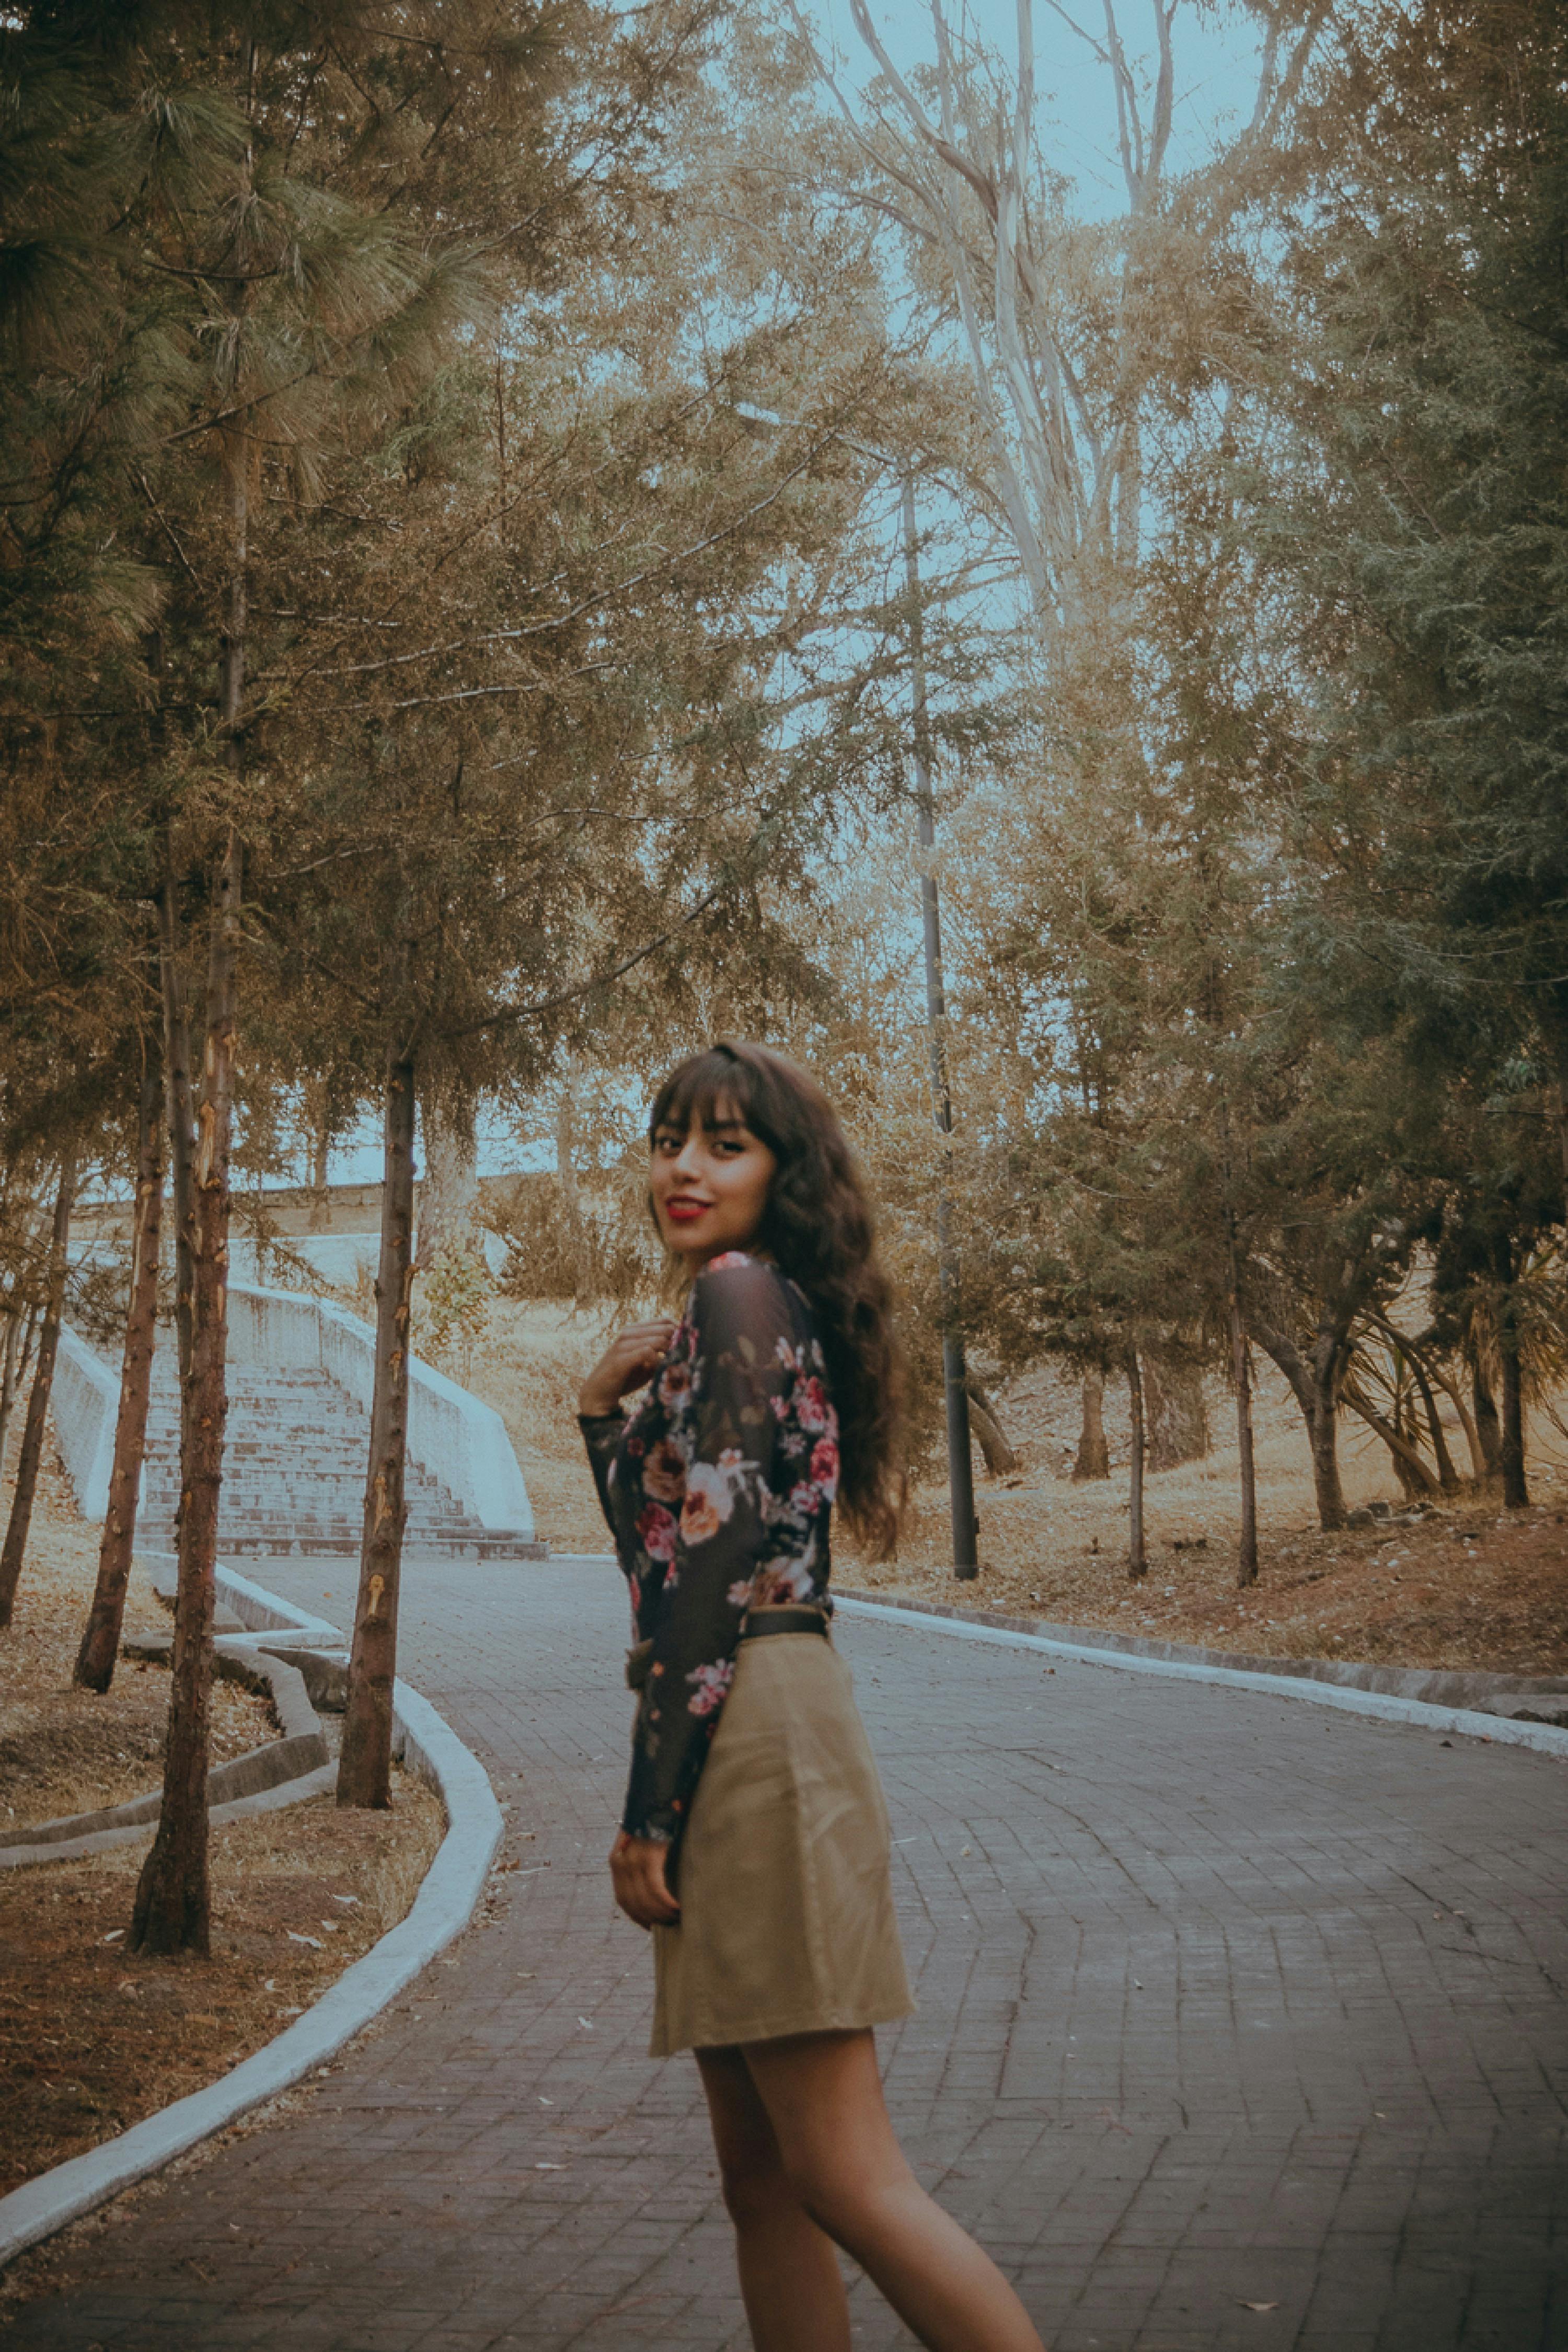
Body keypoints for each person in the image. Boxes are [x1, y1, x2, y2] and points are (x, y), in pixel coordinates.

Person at [579, 1042, 1047, 2352]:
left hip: (751, 1720)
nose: (684, 1165)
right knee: (764, 2187)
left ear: (782, 1174)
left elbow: (716, 1564)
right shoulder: (747, 1308)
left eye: (725, 1143)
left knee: (844, 2174)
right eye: (671, 1135)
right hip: (744, 1708)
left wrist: (647, 1808)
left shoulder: (737, 1292)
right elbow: (660, 1559)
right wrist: (597, 1415)